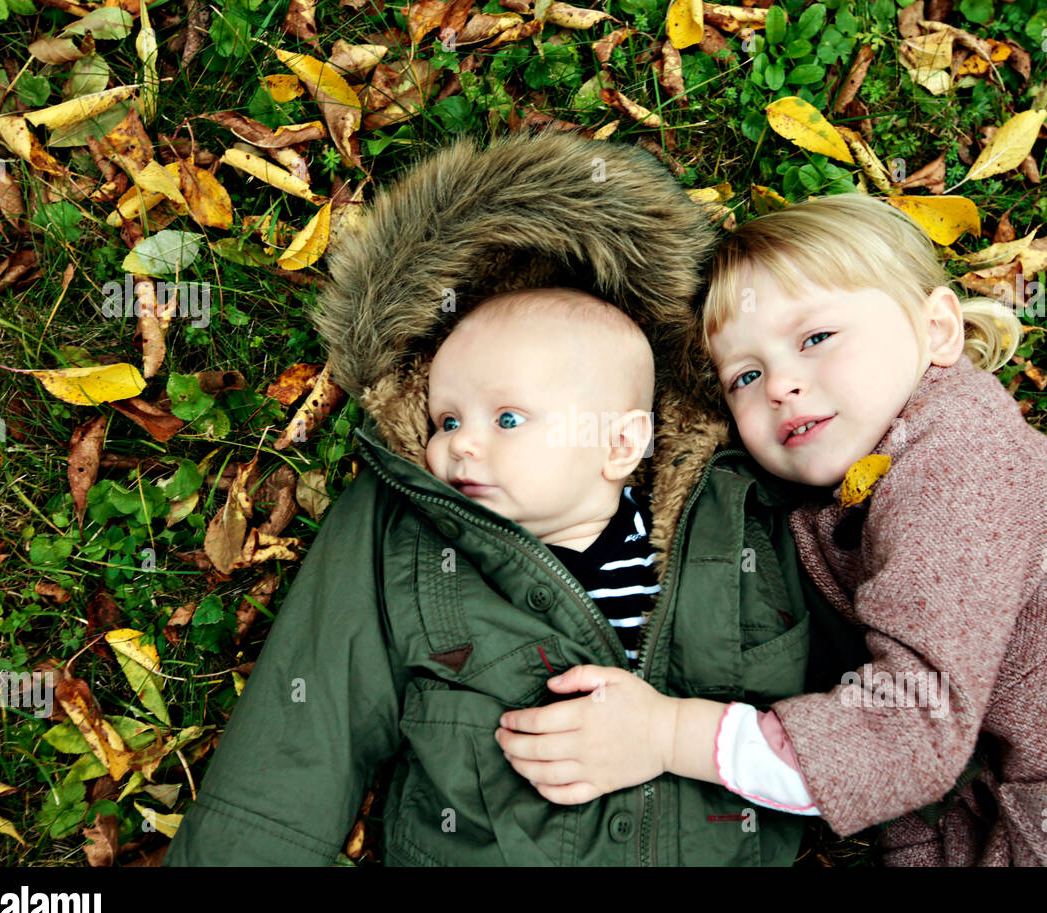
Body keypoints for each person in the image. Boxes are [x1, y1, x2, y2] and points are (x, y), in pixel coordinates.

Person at [161, 131, 870, 866]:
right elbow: (300, 737)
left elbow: (901, 705)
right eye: (445, 421)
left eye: (506, 420)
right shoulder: (403, 528)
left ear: (620, 442)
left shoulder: (745, 516)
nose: (459, 445)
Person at [495, 190, 1047, 866]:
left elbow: (911, 730)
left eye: (816, 338)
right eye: (745, 377)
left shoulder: (960, 465)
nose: (783, 384)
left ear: (938, 329)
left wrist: (667, 737)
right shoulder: (851, 487)